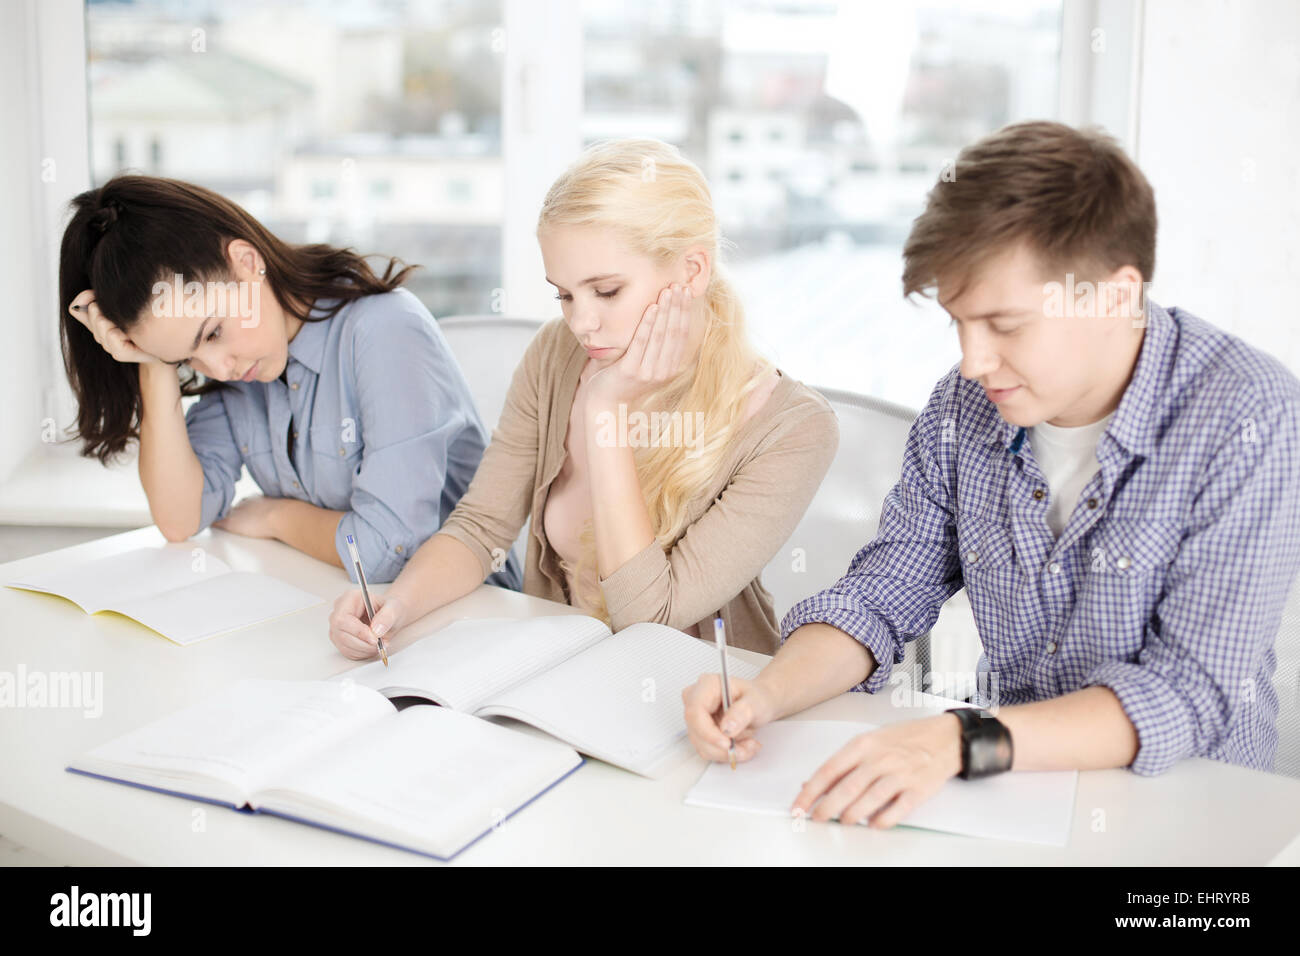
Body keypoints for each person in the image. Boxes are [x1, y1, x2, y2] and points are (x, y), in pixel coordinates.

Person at [683, 121, 1300, 829]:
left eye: (1005, 325)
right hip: (1005, 792)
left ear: (1115, 296)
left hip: (1189, 809)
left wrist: (958, 738)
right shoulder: (964, 407)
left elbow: (1186, 690)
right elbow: (882, 594)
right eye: (959, 323)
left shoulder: (1251, 418)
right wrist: (767, 693)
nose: (973, 362)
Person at [327, 138, 839, 659]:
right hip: (566, 678)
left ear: (692, 271)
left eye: (608, 291)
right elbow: (481, 529)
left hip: (698, 702)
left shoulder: (792, 427)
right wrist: (395, 606)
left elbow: (647, 618)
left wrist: (605, 411)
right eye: (565, 295)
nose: (581, 323)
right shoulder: (556, 354)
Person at [59, 174, 520, 588]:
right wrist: (154, 363)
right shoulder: (244, 368)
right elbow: (180, 518)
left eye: (214, 332)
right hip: (340, 614)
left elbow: (385, 555)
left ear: (245, 262)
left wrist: (277, 517)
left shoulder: (383, 330)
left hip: (471, 621)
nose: (218, 368)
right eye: (188, 358)